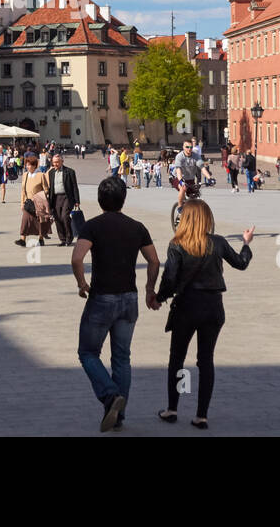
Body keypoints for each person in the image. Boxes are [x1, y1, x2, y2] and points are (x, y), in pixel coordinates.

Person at [71, 175, 160, 433]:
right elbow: (154, 261)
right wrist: (149, 289)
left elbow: (77, 258)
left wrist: (81, 283)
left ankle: (110, 396)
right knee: (121, 357)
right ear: (124, 199)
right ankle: (118, 415)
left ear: (100, 200)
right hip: (129, 299)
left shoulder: (93, 226)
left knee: (87, 353)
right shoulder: (137, 226)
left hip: (102, 298)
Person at [154, 199, 253, 428]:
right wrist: (246, 243)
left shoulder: (177, 244)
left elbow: (169, 279)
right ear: (207, 218)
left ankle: (172, 408)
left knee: (177, 359)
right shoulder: (217, 243)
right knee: (205, 360)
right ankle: (201, 415)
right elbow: (241, 263)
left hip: (187, 306)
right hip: (213, 307)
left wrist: (157, 298)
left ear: (185, 219)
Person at [46, 150, 82, 246]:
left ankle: (69, 238)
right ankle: (62, 239)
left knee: (65, 217)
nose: (55, 164)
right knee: (57, 218)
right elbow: (50, 187)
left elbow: (74, 186)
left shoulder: (69, 172)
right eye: (54, 162)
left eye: (57, 162)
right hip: (56, 198)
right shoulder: (51, 173)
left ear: (62, 161)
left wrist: (77, 201)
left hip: (67, 197)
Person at [16, 153, 51, 247]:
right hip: (28, 202)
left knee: (40, 221)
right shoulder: (25, 175)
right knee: (25, 219)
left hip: (39, 202)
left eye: (29, 164)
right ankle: (22, 239)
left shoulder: (40, 175)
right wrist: (22, 203)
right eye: (27, 164)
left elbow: (46, 189)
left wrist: (40, 196)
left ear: (35, 165)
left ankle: (41, 238)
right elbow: (23, 190)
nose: (28, 166)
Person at [171, 139, 211, 214]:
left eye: (191, 147)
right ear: (183, 147)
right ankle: (180, 207)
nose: (189, 149)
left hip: (190, 179)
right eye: (187, 147)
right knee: (183, 188)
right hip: (178, 178)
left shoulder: (196, 156)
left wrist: (209, 178)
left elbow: (202, 168)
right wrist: (181, 181)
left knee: (195, 197)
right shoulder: (180, 156)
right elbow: (178, 170)